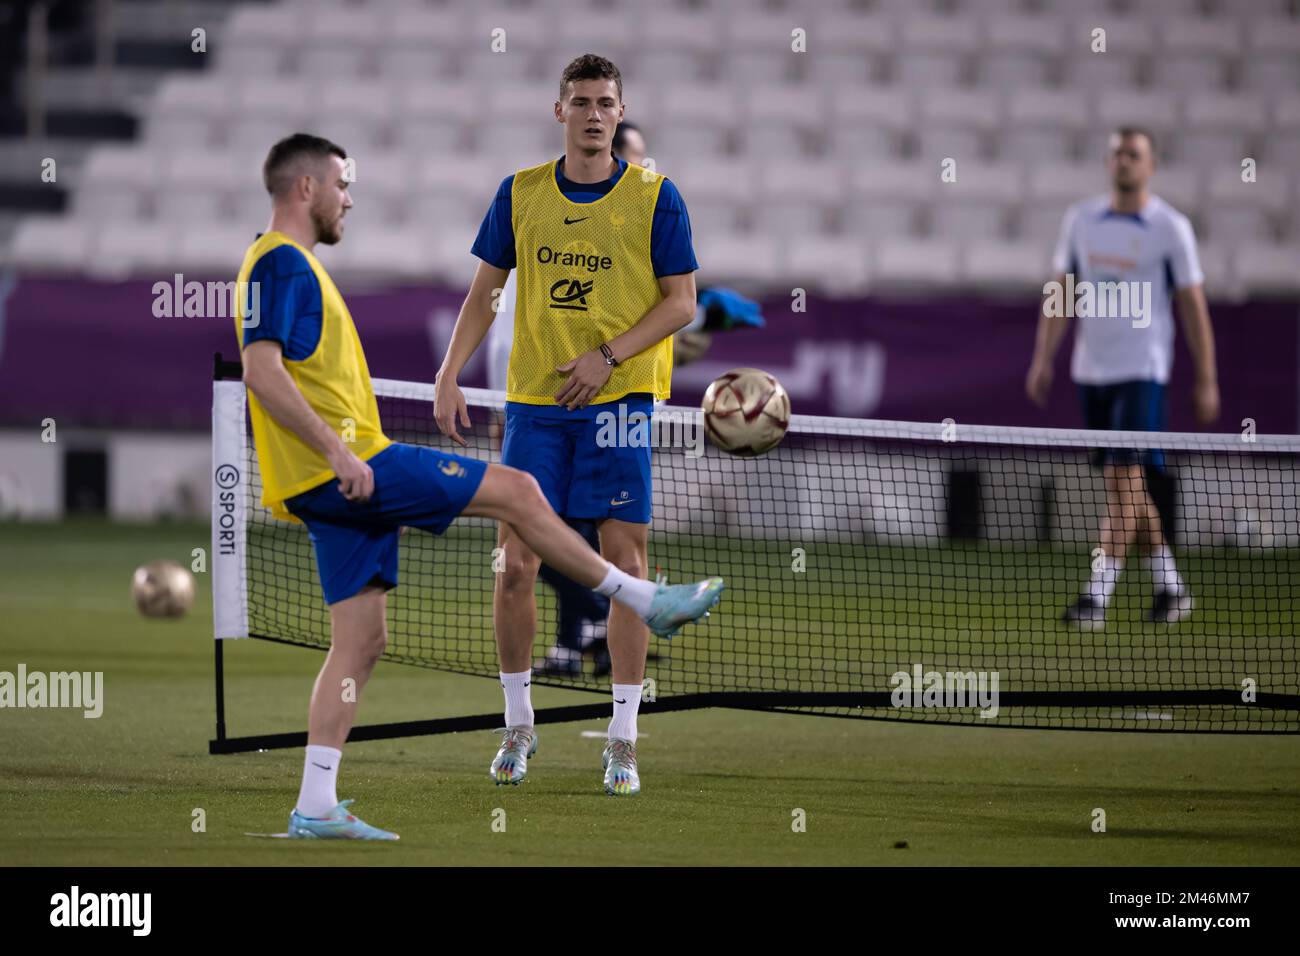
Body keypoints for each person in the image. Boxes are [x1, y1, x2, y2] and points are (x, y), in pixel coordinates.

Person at [236, 133, 723, 838]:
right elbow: (262, 370)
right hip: (353, 469)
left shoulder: (281, 263)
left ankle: (314, 806)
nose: (351, 197)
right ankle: (647, 600)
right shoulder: (282, 263)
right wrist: (340, 455)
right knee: (518, 495)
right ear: (306, 189)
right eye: (343, 184)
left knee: (361, 642)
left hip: (332, 483)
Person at [435, 54, 713, 796]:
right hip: (533, 404)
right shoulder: (520, 192)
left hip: (620, 405)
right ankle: (518, 725)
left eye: (606, 102)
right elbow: (485, 292)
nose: (594, 114)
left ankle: (622, 737)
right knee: (515, 567)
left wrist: (607, 356)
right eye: (581, 101)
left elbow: (683, 303)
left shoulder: (657, 196)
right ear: (559, 111)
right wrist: (449, 371)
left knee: (625, 568)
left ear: (621, 113)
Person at [1025, 127, 1220, 631]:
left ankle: (1096, 597)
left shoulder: (1170, 227)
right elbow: (1062, 289)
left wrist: (1207, 376)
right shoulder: (1081, 220)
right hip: (1092, 370)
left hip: (1143, 369)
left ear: (1151, 165)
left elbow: (1192, 304)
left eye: (1134, 155)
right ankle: (1171, 586)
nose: (1124, 162)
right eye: (1117, 154)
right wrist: (1044, 357)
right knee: (1125, 484)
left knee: (1122, 477)